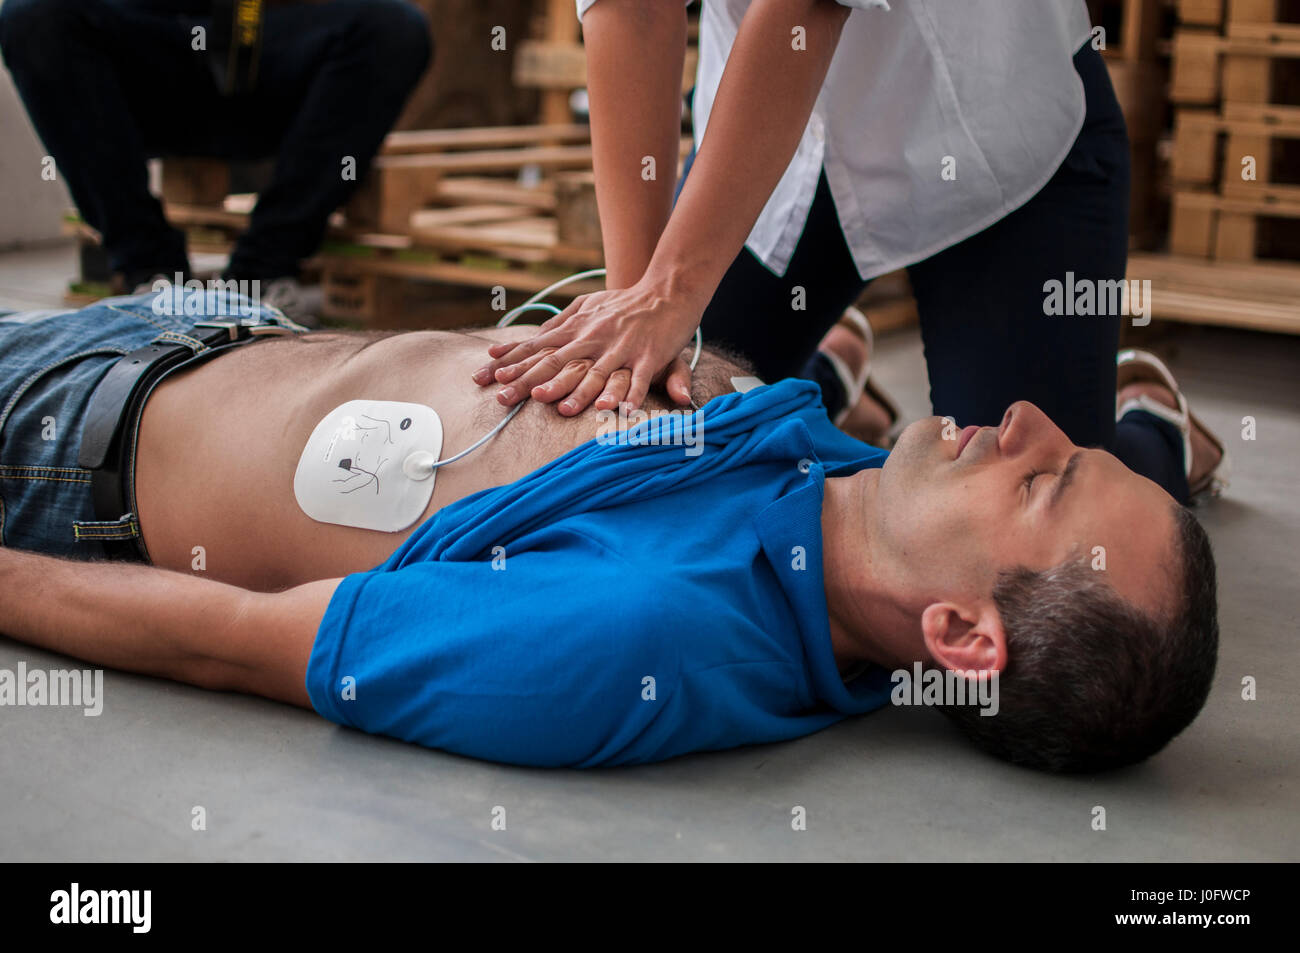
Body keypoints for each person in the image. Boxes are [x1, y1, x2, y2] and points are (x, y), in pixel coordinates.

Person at [0, 289, 1218, 771]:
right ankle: (1161, 429)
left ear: (959, 635)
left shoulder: (633, 628)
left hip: (63, 439)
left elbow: (234, 635)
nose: (1019, 419)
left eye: (1043, 480)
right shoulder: (856, 497)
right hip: (214, 329)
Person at [471, 0, 1228, 505]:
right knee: (667, 461)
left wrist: (672, 294)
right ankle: (827, 380)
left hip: (991, 137)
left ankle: (1155, 430)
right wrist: (633, 328)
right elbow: (632, 11)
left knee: (1013, 526)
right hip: (780, 151)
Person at [0, 0, 431, 317]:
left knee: (395, 28)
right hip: (146, 57)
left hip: (265, 48)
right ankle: (148, 271)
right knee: (29, 16)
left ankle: (261, 274)